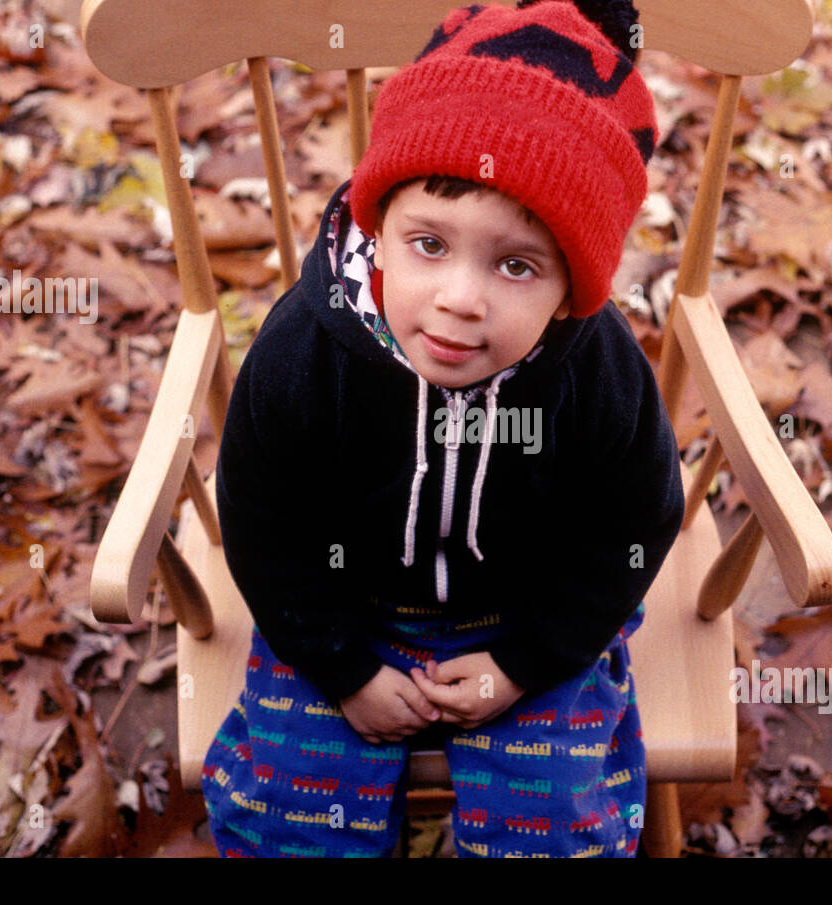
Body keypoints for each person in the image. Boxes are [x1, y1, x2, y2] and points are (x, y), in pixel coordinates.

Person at [201, 0, 684, 857]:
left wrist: (525, 665)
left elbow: (634, 527)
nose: (462, 297)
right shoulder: (307, 353)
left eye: (515, 264)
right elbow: (262, 520)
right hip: (337, 605)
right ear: (377, 228)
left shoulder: (595, 372)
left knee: (555, 822)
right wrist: (343, 667)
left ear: (574, 287)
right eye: (429, 243)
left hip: (530, 613)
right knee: (293, 817)